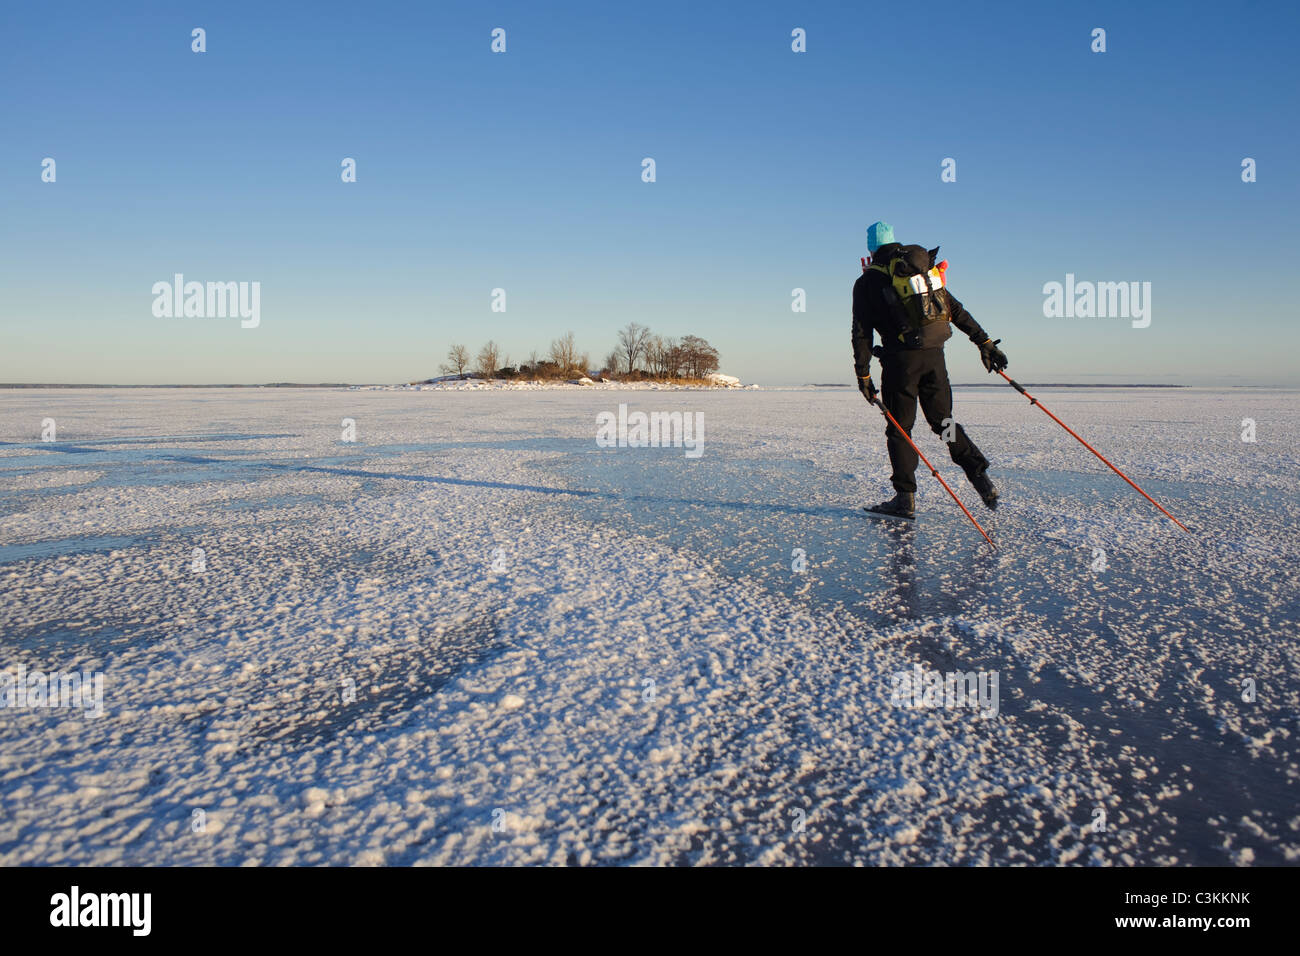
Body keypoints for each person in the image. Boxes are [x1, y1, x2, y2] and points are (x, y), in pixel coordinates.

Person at [852, 221, 1006, 519]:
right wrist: (984, 342)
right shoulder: (921, 271)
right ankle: (980, 478)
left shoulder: (868, 281)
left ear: (871, 247)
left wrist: (863, 375)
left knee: (900, 429)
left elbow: (861, 332)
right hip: (935, 358)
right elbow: (954, 309)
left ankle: (904, 499)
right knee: (943, 423)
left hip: (901, 364)